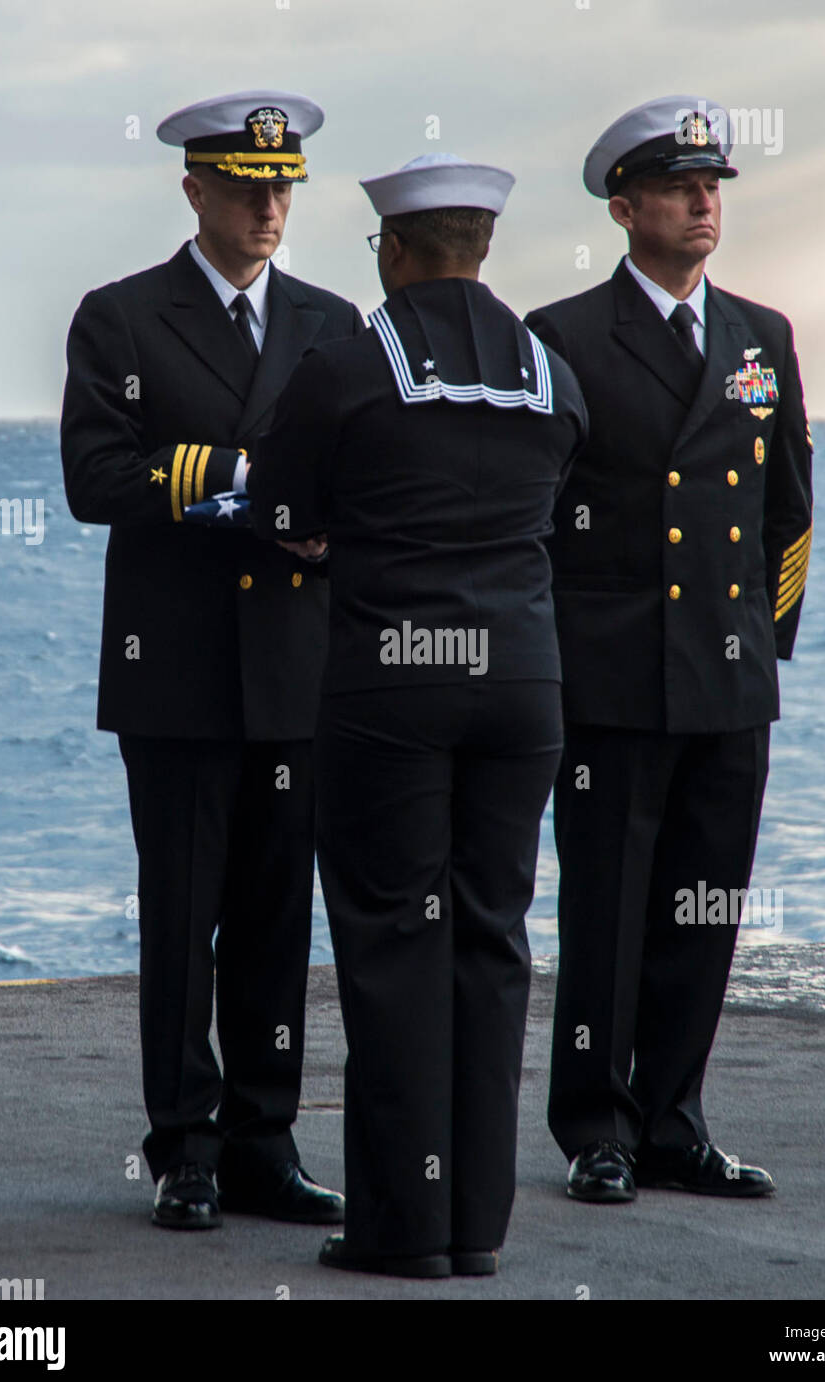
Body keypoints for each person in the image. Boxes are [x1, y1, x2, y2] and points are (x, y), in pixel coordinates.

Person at [248, 153, 589, 1276]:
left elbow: (285, 505)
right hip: (524, 683)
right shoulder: (553, 370)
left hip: (395, 677)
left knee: (394, 940)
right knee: (492, 938)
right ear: (480, 249)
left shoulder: (347, 367)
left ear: (393, 251)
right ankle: (474, 1227)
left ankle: (401, 1227)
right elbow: (563, 505)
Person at [60, 89, 363, 1230]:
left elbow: (368, 471)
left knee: (281, 923)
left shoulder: (336, 323)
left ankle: (262, 1143)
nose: (268, 206)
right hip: (179, 668)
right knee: (183, 920)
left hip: (295, 667)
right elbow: (95, 478)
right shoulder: (124, 318)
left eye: (281, 187)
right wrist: (245, 485)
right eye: (245, 187)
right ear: (194, 190)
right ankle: (183, 1149)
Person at [524, 95, 813, 1204]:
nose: (704, 202)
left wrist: (760, 642)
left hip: (726, 673)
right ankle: (597, 1124)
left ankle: (675, 1119)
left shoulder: (760, 336)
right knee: (606, 910)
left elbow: (786, 510)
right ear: (623, 205)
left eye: (714, 187)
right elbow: (537, 518)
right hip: (607, 674)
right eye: (682, 186)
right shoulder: (562, 338)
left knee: (706, 907)